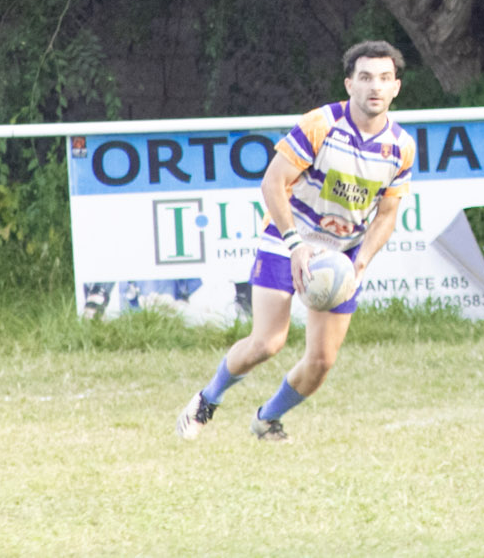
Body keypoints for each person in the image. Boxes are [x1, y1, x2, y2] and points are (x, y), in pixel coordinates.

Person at [175, 41, 416, 443]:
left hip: (342, 253)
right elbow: (272, 183)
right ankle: (207, 400)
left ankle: (267, 419)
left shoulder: (401, 147)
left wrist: (360, 263)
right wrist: (295, 244)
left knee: (322, 361)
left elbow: (387, 215)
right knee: (268, 342)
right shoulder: (320, 124)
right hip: (289, 237)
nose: (375, 86)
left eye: (385, 79)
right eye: (366, 77)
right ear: (349, 84)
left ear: (396, 88)